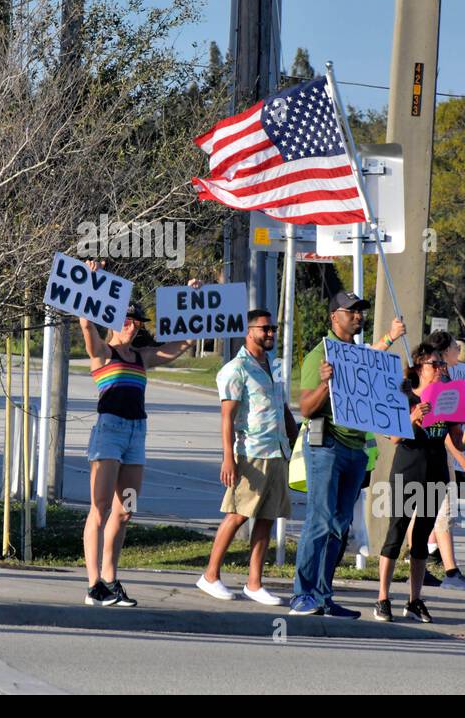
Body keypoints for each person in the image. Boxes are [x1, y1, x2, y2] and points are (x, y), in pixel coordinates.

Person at [79, 264, 201, 607]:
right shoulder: (103, 353)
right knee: (100, 509)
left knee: (126, 509)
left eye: (138, 323)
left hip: (136, 435)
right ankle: (93, 586)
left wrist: (193, 299)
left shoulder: (142, 358)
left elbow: (183, 343)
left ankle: (111, 578)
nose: (133, 327)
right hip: (109, 433)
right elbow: (86, 324)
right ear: (115, 321)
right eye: (128, 321)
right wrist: (91, 282)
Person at [291, 291, 405, 618]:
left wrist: (391, 338)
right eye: (351, 311)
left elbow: (374, 392)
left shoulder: (356, 354)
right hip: (326, 447)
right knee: (320, 521)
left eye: (360, 311)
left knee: (340, 527)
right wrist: (326, 384)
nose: (358, 316)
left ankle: (324, 596)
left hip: (355, 452)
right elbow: (307, 409)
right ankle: (303, 595)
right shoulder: (319, 356)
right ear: (334, 316)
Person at [196, 309, 297, 606]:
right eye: (265, 329)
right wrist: (228, 458)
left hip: (276, 450)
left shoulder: (273, 365)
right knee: (238, 514)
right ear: (249, 331)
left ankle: (255, 583)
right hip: (249, 452)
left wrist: (295, 435)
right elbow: (227, 417)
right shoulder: (235, 369)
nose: (270, 334)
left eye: (273, 329)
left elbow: (283, 406)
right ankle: (210, 575)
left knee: (266, 518)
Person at [374, 342, 465, 623]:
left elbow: (456, 443)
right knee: (396, 532)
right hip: (408, 469)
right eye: (435, 364)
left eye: (442, 364)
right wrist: (413, 418)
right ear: (420, 366)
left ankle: (414, 600)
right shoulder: (405, 394)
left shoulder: (448, 396)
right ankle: (383, 597)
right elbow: (393, 437)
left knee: (421, 538)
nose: (440, 369)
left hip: (434, 470)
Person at [421, 330, 465, 592]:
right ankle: (451, 572)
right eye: (456, 348)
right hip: (429, 456)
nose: (460, 352)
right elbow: (441, 433)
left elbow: (457, 439)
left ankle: (421, 568)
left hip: (441, 457)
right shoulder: (437, 382)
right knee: (444, 514)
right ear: (445, 352)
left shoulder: (450, 380)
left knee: (425, 515)